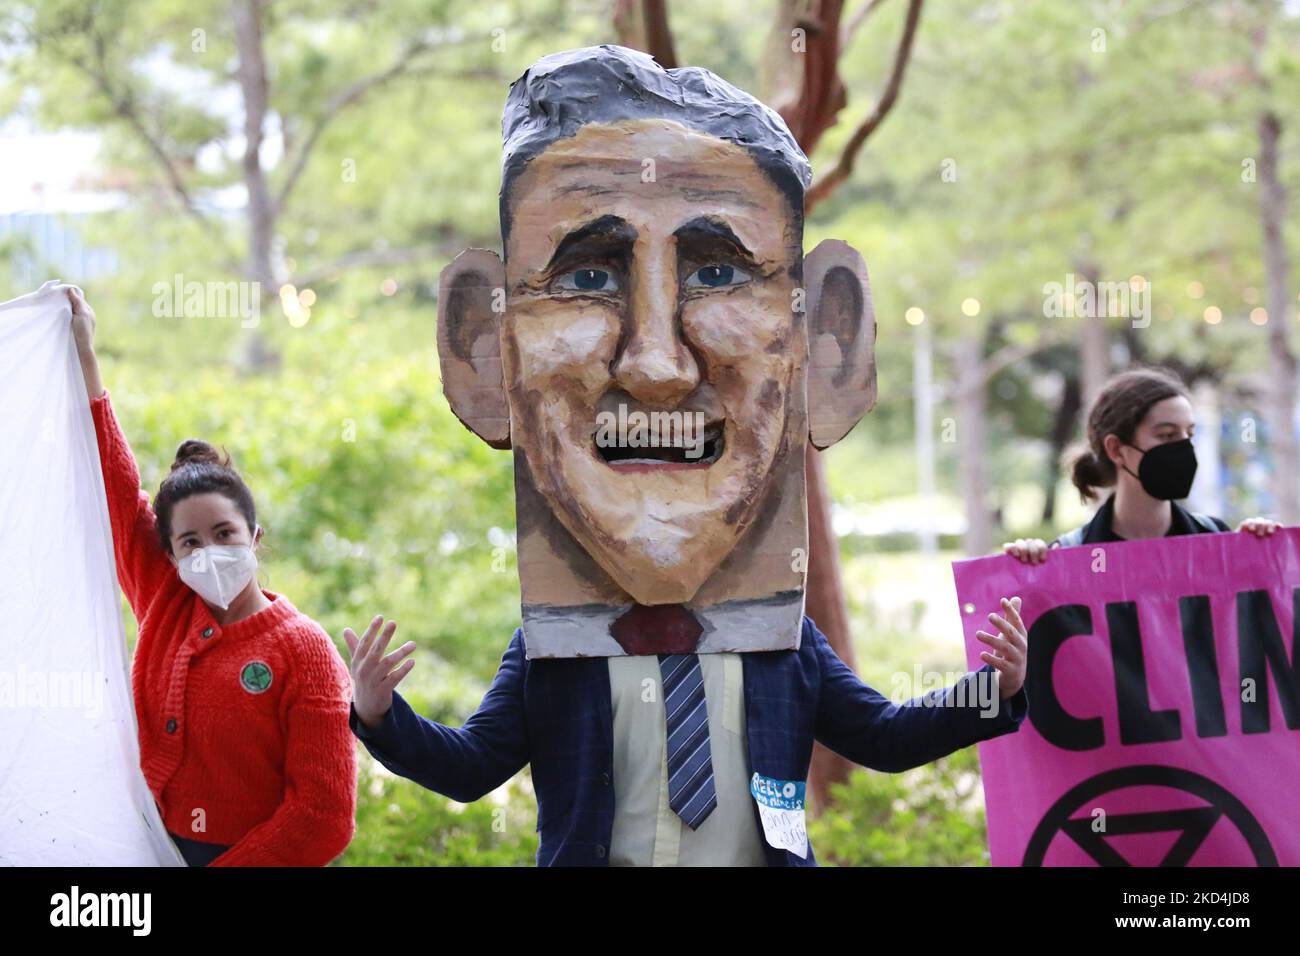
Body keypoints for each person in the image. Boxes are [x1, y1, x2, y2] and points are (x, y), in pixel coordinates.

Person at [343, 45, 1030, 868]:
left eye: (718, 271)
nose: (657, 367)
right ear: (486, 358)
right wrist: (382, 715)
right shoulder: (550, 656)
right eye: (588, 277)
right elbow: (472, 767)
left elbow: (880, 736)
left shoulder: (787, 644)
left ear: (827, 349)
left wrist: (997, 690)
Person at [69, 287, 357, 866]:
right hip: (146, 849)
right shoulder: (165, 603)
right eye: (190, 542)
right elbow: (118, 498)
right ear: (171, 558)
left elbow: (323, 817)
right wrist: (85, 361)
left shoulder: (304, 651)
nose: (209, 552)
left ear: (253, 536)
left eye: (223, 534)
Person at [1004, 367, 1280, 564]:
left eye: (1190, 434)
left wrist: (1260, 553)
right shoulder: (1072, 556)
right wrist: (1028, 569)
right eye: (1167, 435)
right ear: (1116, 449)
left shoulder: (1216, 540)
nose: (1184, 447)